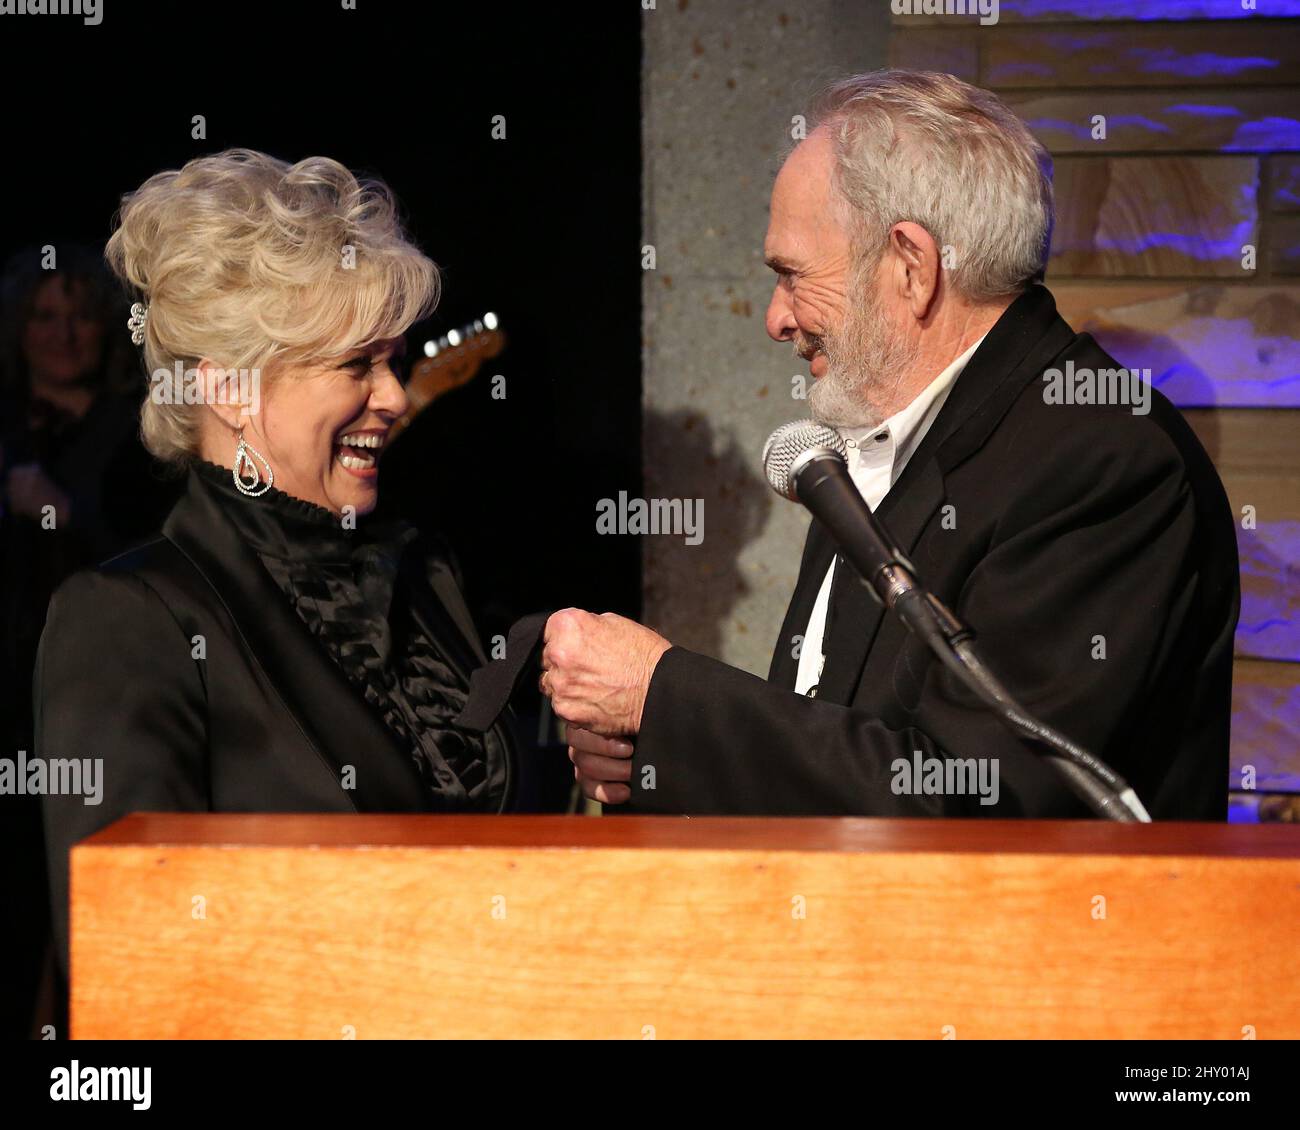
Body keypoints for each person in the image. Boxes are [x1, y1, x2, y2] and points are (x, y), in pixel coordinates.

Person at [539, 71, 1240, 820]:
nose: (776, 318)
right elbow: (844, 749)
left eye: (792, 276)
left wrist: (666, 697)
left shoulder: (1102, 463)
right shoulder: (877, 438)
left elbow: (976, 803)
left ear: (910, 267)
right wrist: (656, 745)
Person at [36, 150, 523, 992]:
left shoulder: (422, 576)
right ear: (230, 390)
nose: (396, 396)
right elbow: (136, 956)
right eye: (355, 365)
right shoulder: (131, 620)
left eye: (393, 360)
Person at [0, 245, 176, 1037]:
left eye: (79, 315)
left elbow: (160, 556)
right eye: (45, 315)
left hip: (94, 694)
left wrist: (66, 514)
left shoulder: (136, 430)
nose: (64, 333)